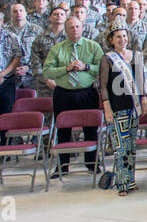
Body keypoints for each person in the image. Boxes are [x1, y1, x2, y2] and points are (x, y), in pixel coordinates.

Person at [41, 17, 104, 177]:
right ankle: (63, 166)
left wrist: (86, 67)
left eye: (77, 26)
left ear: (82, 28)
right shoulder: (57, 49)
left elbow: (103, 68)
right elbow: (47, 71)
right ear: (65, 30)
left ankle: (92, 164)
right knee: (63, 131)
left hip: (87, 93)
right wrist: (65, 69)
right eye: (70, 27)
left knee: (90, 130)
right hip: (63, 93)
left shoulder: (93, 46)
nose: (74, 30)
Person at [98, 26, 147, 194]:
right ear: (111, 40)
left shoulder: (136, 55)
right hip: (116, 107)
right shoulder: (108, 59)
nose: (122, 39)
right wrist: (106, 107)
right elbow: (103, 86)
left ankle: (131, 181)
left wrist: (143, 98)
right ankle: (122, 183)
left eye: (124, 36)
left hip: (133, 107)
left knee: (132, 146)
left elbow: (141, 80)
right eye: (118, 37)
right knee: (121, 147)